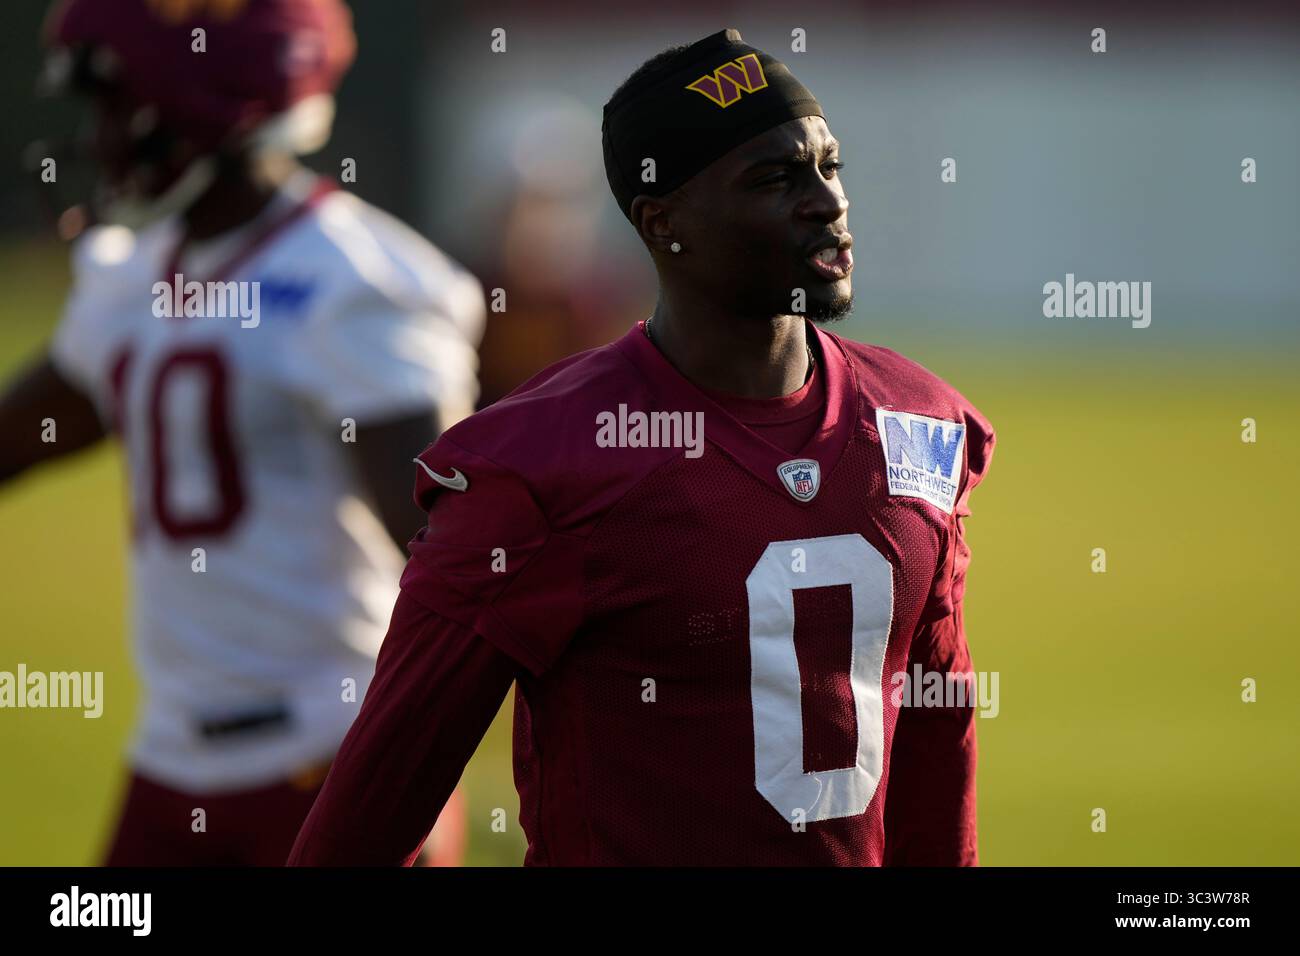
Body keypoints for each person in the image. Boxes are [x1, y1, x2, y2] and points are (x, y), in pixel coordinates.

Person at [289, 28, 995, 866]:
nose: (825, 200)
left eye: (827, 166)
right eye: (772, 177)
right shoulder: (542, 466)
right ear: (664, 223)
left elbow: (937, 737)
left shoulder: (920, 422)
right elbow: (380, 798)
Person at [0, 0, 482, 866]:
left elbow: (453, 552)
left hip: (332, 764)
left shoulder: (350, 281)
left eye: (119, 105)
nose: (99, 135)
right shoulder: (135, 274)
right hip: (169, 761)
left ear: (199, 107)